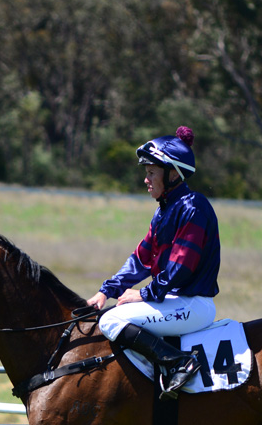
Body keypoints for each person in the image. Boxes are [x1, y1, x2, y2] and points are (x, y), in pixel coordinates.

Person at [87, 126, 221, 398]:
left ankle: (181, 362)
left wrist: (144, 294)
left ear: (172, 174)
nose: (146, 180)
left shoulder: (193, 207)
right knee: (107, 312)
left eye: (151, 173)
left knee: (111, 322)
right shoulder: (164, 211)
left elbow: (182, 268)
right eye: (146, 173)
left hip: (193, 304)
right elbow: (141, 259)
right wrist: (106, 291)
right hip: (174, 301)